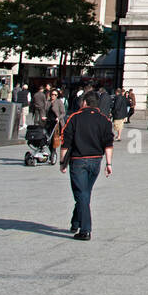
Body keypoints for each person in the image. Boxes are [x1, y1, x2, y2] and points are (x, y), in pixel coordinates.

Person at [59, 92, 114, 240]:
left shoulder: (74, 118)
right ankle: (75, 222)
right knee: (85, 193)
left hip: (78, 160)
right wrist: (108, 163)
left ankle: (85, 229)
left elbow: (65, 142)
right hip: (96, 160)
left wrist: (62, 162)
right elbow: (108, 144)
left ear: (84, 103)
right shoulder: (105, 120)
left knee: (81, 193)